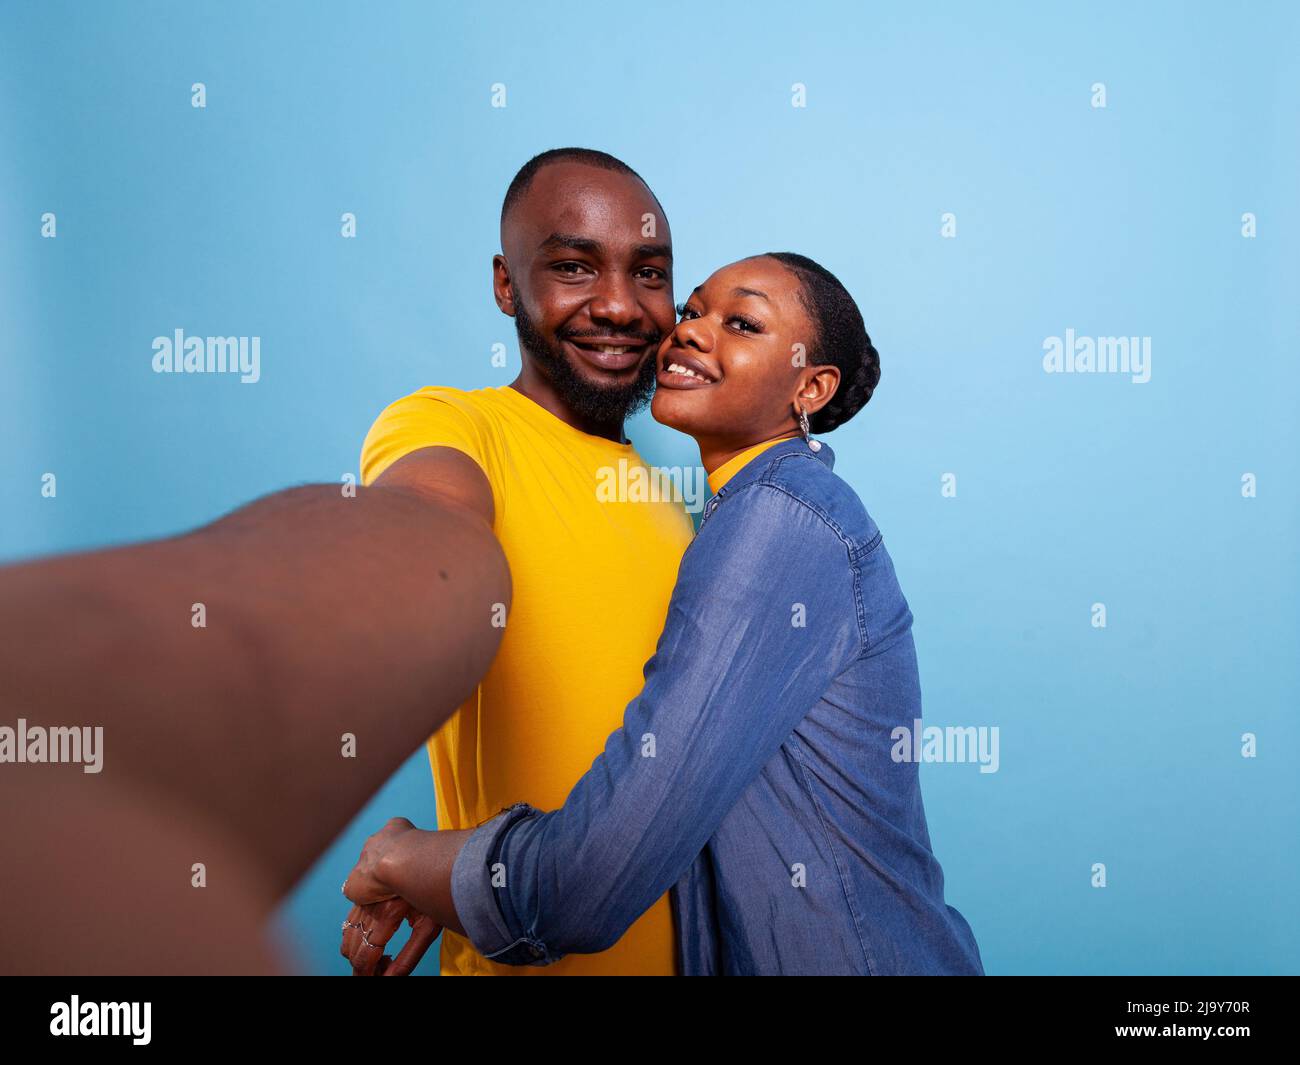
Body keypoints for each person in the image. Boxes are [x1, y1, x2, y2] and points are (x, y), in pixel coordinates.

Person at [340, 253, 986, 975]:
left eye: (740, 321)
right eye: (692, 312)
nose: (691, 333)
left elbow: (583, 889)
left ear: (811, 385)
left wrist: (403, 855)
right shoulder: (741, 515)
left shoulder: (779, 521)